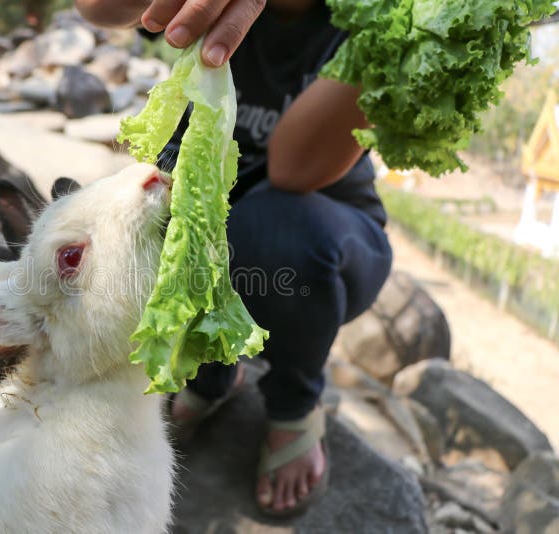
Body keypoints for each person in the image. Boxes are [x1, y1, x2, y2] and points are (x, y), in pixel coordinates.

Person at [76, 0, 392, 517]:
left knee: (273, 233)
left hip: (323, 239)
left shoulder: (371, 18)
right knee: (140, 221)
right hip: (224, 226)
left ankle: (295, 403)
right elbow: (98, 8)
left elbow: (292, 169)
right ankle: (212, 372)